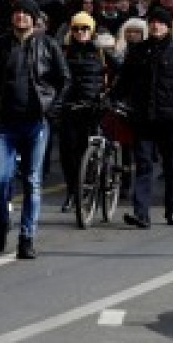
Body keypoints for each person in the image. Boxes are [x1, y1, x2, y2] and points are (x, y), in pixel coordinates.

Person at [0, 0, 69, 259]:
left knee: (32, 181)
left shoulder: (48, 45)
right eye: (18, 12)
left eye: (27, 13)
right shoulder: (0, 47)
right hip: (6, 125)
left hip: (36, 123)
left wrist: (52, 109)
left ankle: (27, 237)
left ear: (35, 18)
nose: (21, 16)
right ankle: (2, 222)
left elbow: (64, 81)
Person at [112, 8, 173, 228]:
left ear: (168, 26)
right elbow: (124, 81)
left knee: (172, 167)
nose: (156, 26)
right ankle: (141, 213)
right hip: (143, 119)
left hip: (171, 120)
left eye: (161, 22)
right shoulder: (138, 51)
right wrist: (111, 98)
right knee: (143, 164)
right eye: (153, 22)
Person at [58, 12, 108, 213]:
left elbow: (119, 72)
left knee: (92, 149)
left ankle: (94, 185)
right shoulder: (63, 52)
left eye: (84, 28)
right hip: (69, 107)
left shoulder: (101, 52)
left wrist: (108, 96)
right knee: (68, 152)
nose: (80, 32)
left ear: (92, 30)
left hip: (93, 107)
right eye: (76, 28)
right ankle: (73, 191)